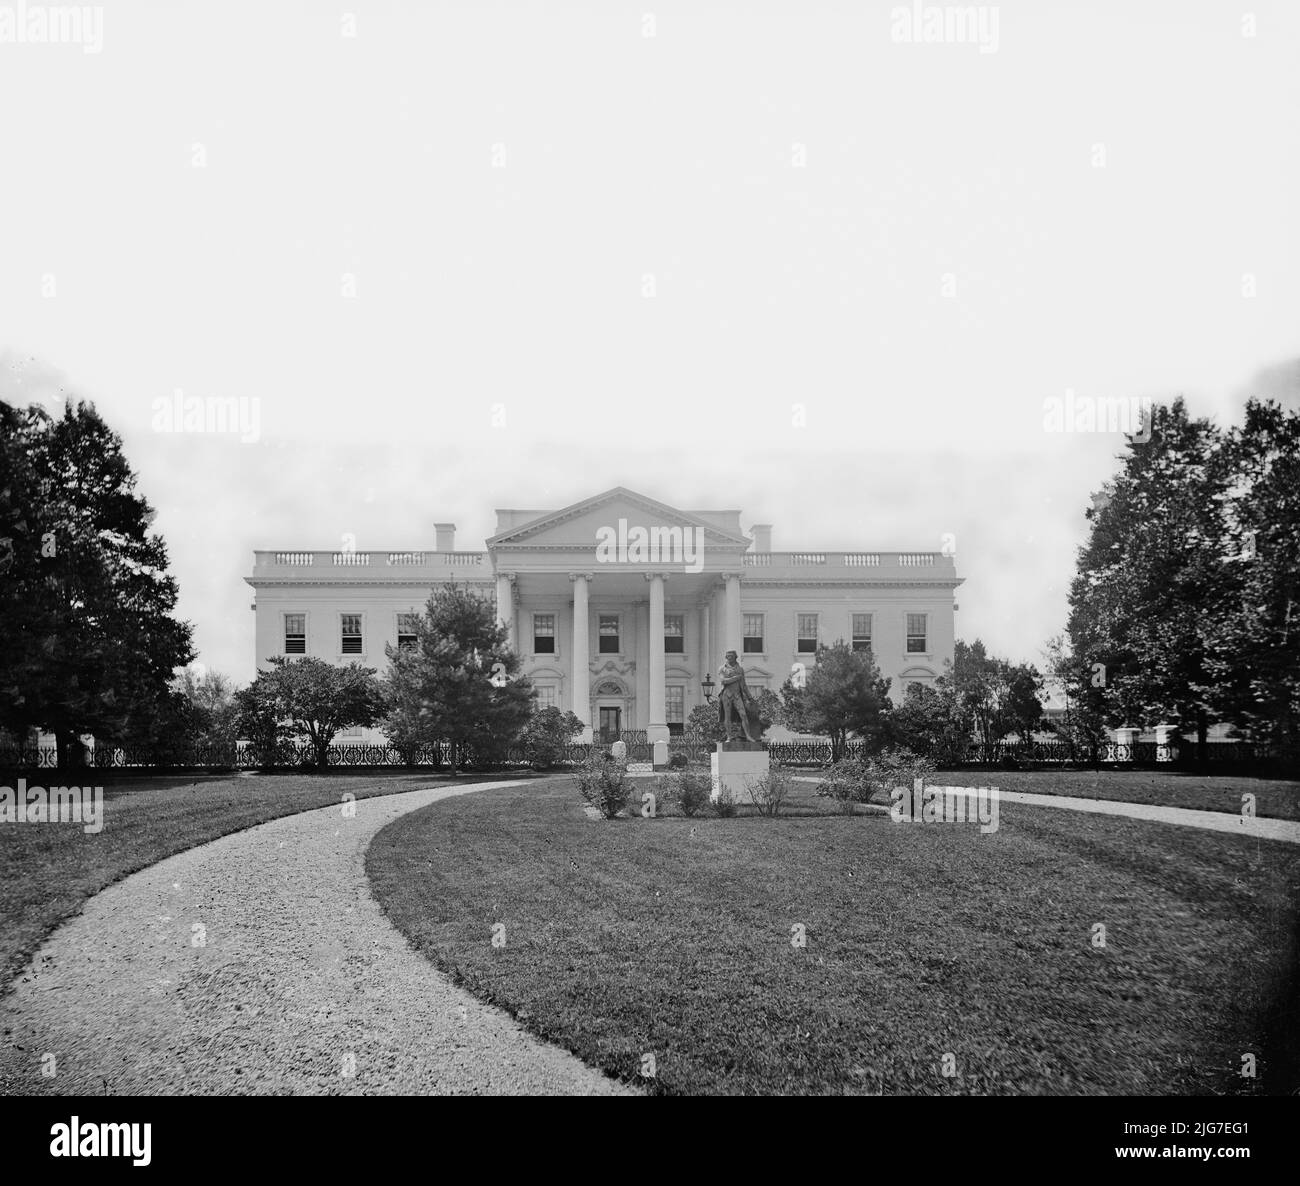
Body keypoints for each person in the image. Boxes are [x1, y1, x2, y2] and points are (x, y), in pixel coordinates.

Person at [717, 650, 759, 742]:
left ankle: (748, 736)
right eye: (728, 656)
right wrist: (735, 678)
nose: (729, 658)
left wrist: (750, 698)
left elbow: (743, 685)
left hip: (737, 695)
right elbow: (723, 681)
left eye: (731, 656)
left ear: (735, 657)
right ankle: (729, 736)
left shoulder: (740, 669)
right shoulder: (722, 668)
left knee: (743, 715)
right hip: (726, 695)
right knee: (727, 717)